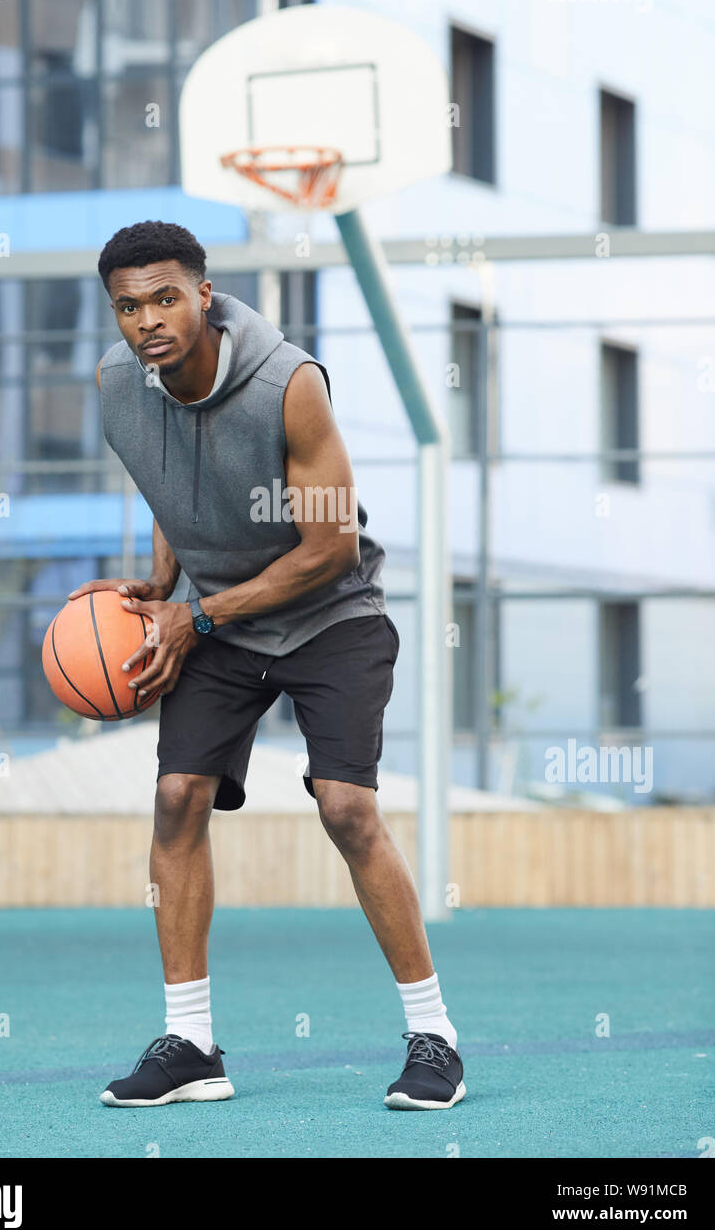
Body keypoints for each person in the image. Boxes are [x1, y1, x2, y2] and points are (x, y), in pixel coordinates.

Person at [69, 219, 464, 1112]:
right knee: (176, 799)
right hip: (219, 621)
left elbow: (328, 548)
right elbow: (173, 489)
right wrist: (163, 585)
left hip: (332, 616)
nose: (148, 320)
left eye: (166, 297)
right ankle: (192, 1044)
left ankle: (435, 1037)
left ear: (205, 295)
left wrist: (194, 613)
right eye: (129, 307)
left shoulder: (291, 386)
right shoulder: (118, 389)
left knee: (346, 807)